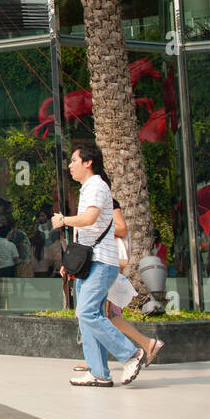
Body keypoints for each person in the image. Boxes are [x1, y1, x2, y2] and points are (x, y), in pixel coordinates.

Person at [53, 143, 145, 387]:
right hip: (88, 263)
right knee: (85, 316)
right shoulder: (87, 188)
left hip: (101, 262)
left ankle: (131, 354)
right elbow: (87, 232)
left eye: (74, 160)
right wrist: (70, 263)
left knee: (87, 312)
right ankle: (99, 373)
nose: (70, 165)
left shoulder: (95, 186)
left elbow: (89, 219)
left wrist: (63, 220)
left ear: (88, 162)